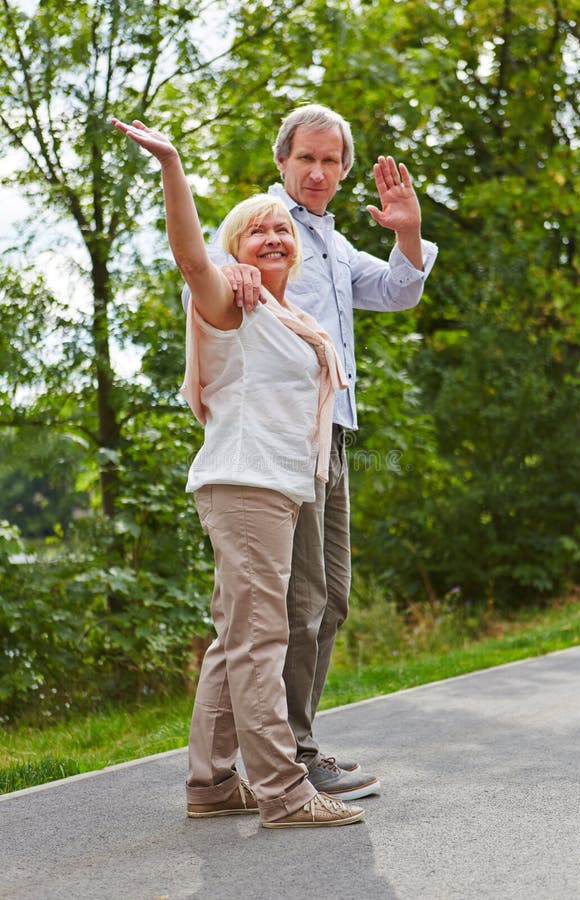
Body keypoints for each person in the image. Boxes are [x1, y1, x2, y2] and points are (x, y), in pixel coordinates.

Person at [111, 115, 365, 829]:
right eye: (258, 232)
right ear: (237, 249)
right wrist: (172, 165)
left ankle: (212, 782)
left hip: (274, 488)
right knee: (262, 638)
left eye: (283, 230)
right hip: (247, 484)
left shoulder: (288, 319)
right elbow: (193, 260)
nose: (276, 237)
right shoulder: (232, 303)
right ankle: (284, 794)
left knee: (234, 637)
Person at [183, 103, 438, 801]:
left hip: (333, 430)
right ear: (283, 162)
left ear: (345, 170)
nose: (320, 173)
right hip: (278, 439)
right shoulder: (266, 231)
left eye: (332, 162)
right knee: (293, 605)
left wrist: (409, 234)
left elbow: (395, 291)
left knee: (330, 599)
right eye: (308, 159)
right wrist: (233, 269)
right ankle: (294, 755)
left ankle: (237, 764)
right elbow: (212, 268)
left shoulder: (331, 245)